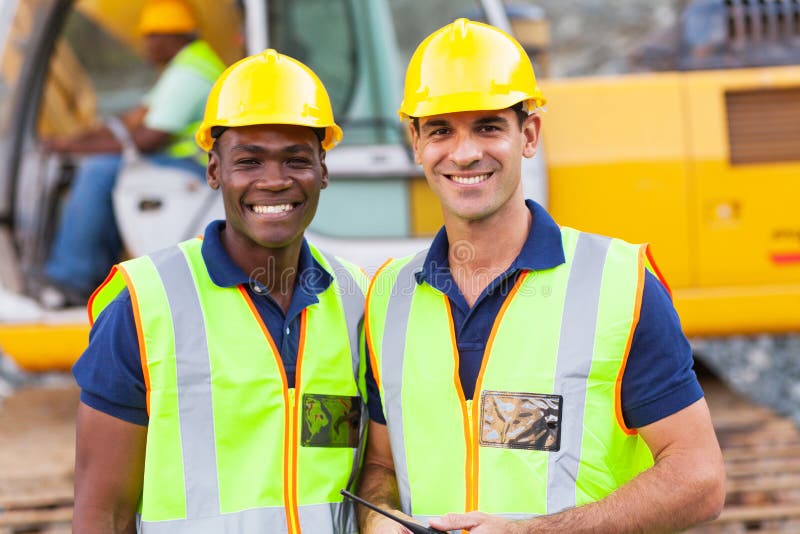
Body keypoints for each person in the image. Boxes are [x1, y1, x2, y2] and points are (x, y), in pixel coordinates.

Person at [357, 19, 726, 533]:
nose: (464, 153)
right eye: (441, 129)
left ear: (528, 134)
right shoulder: (387, 297)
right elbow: (381, 464)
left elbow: (700, 478)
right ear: (415, 141)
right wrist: (381, 519)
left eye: (487, 126)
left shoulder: (618, 284)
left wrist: (533, 532)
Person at [72, 49, 368, 533]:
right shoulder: (146, 304)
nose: (274, 181)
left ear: (323, 170)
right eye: (249, 161)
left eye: (296, 160)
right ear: (214, 171)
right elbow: (103, 512)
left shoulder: (357, 299)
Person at [40, 0, 225, 307]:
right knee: (104, 168)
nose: (146, 45)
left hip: (196, 168)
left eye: (152, 36)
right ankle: (97, 273)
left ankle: (71, 278)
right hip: (185, 164)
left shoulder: (190, 73)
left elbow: (148, 138)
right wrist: (72, 141)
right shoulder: (187, 65)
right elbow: (133, 120)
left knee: (100, 171)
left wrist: (72, 148)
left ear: (174, 37)